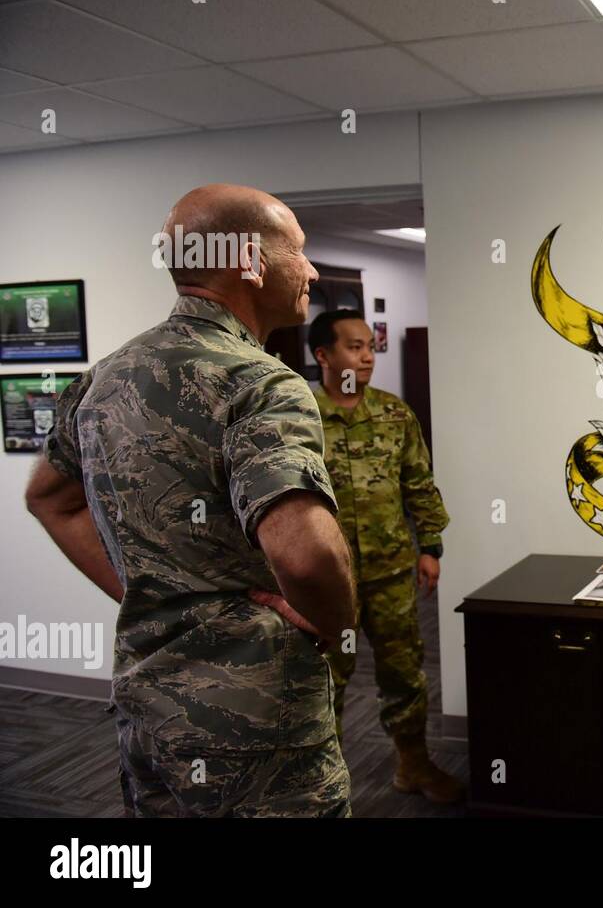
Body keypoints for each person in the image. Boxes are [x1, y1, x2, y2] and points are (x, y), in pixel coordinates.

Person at [25, 184, 357, 817]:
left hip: (148, 706)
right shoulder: (259, 383)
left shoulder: (102, 378)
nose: (311, 270)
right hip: (256, 717)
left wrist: (152, 591)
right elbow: (307, 557)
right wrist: (338, 630)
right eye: (300, 251)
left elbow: (49, 500)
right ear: (253, 264)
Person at [307, 309, 462, 804]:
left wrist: (431, 546)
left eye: (369, 346)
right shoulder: (299, 420)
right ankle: (319, 784)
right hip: (326, 581)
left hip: (392, 570)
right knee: (324, 681)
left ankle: (412, 765)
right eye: (354, 347)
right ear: (323, 355)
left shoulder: (395, 414)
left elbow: (418, 483)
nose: (367, 356)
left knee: (404, 672)